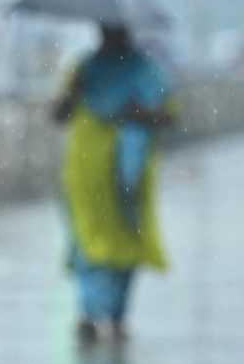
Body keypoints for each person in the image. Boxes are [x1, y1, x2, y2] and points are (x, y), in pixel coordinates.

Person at [53, 24, 176, 344]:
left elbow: (171, 114)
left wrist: (143, 112)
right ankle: (90, 312)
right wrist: (74, 91)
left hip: (129, 174)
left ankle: (118, 314)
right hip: (84, 170)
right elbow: (57, 114)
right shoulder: (85, 68)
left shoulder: (147, 71)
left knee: (125, 241)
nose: (109, 38)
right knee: (85, 242)